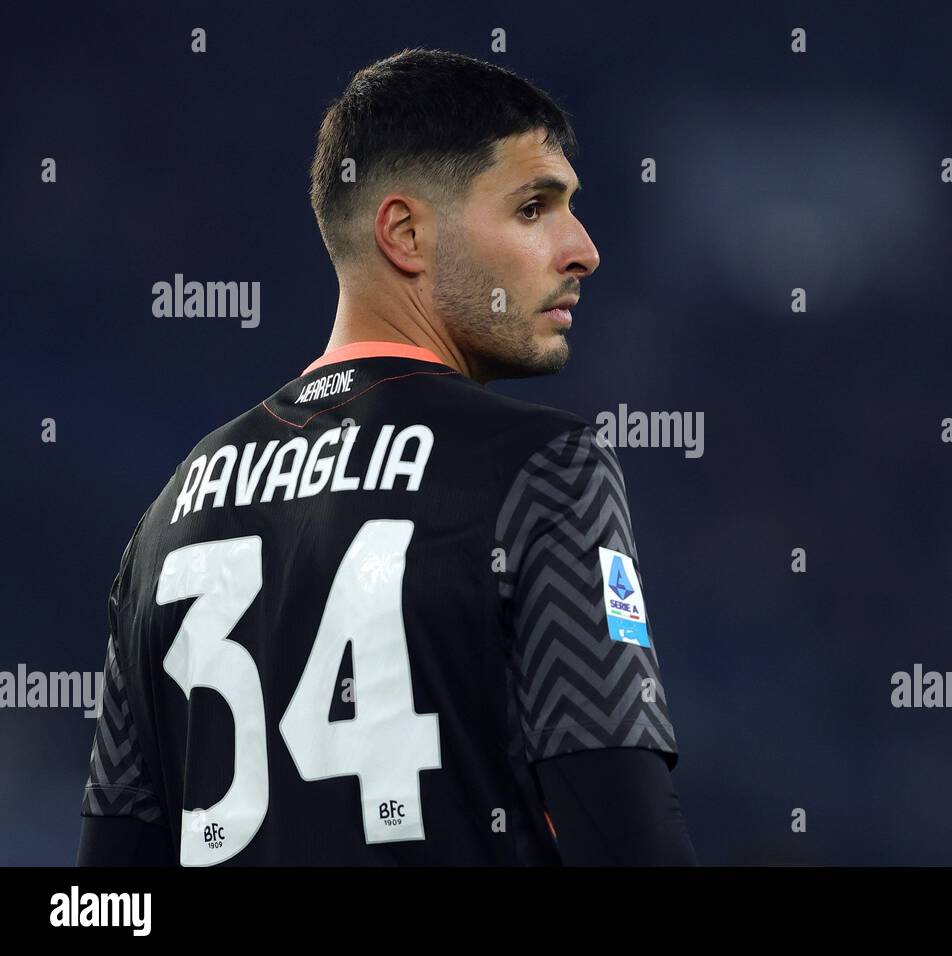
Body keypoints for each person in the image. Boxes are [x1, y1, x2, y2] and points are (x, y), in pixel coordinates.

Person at [76, 48, 697, 866]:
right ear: (405, 233)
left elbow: (103, 897)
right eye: (533, 208)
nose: (582, 248)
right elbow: (627, 843)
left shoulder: (169, 516)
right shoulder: (545, 471)